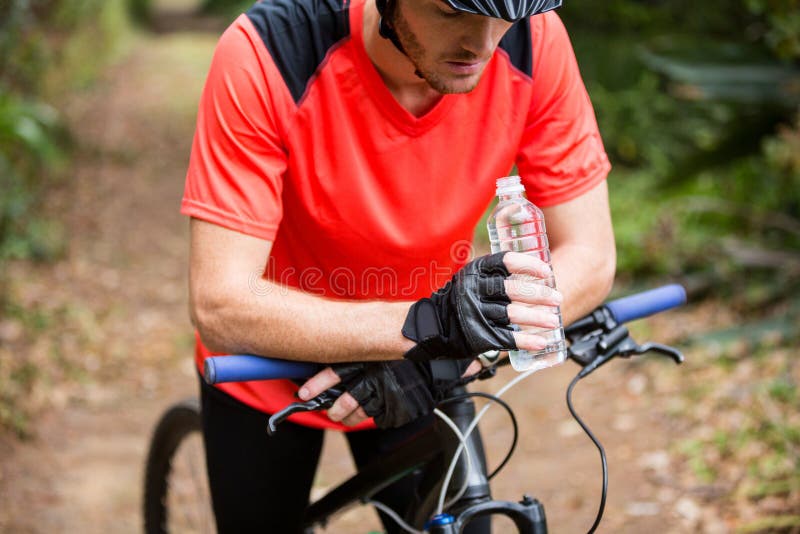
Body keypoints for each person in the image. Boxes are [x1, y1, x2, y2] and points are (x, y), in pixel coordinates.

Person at [180, 0, 616, 529]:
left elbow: (589, 256)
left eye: (502, 17)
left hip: (424, 368)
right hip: (270, 368)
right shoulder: (269, 51)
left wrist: (456, 345)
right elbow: (220, 302)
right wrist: (426, 327)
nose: (481, 43)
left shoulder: (533, 40)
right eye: (450, 13)